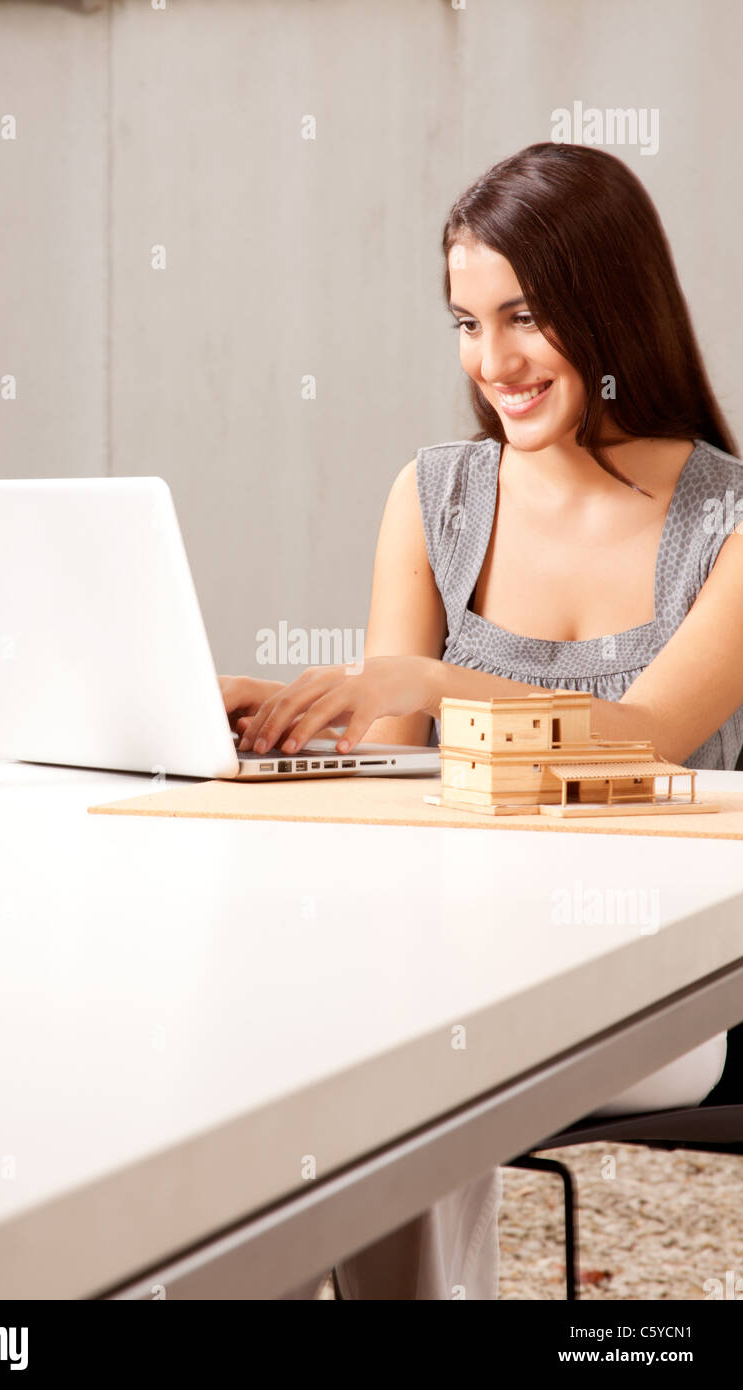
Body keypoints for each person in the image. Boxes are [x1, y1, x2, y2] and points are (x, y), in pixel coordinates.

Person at [219, 143, 743, 1299]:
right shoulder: (433, 496)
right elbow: (390, 766)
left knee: (388, 1048)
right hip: (447, 946)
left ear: (610, 306)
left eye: (524, 316)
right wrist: (290, 711)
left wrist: (422, 679)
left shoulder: (726, 524)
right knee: (296, 1013)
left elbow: (644, 737)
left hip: (651, 976)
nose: (492, 360)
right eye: (463, 323)